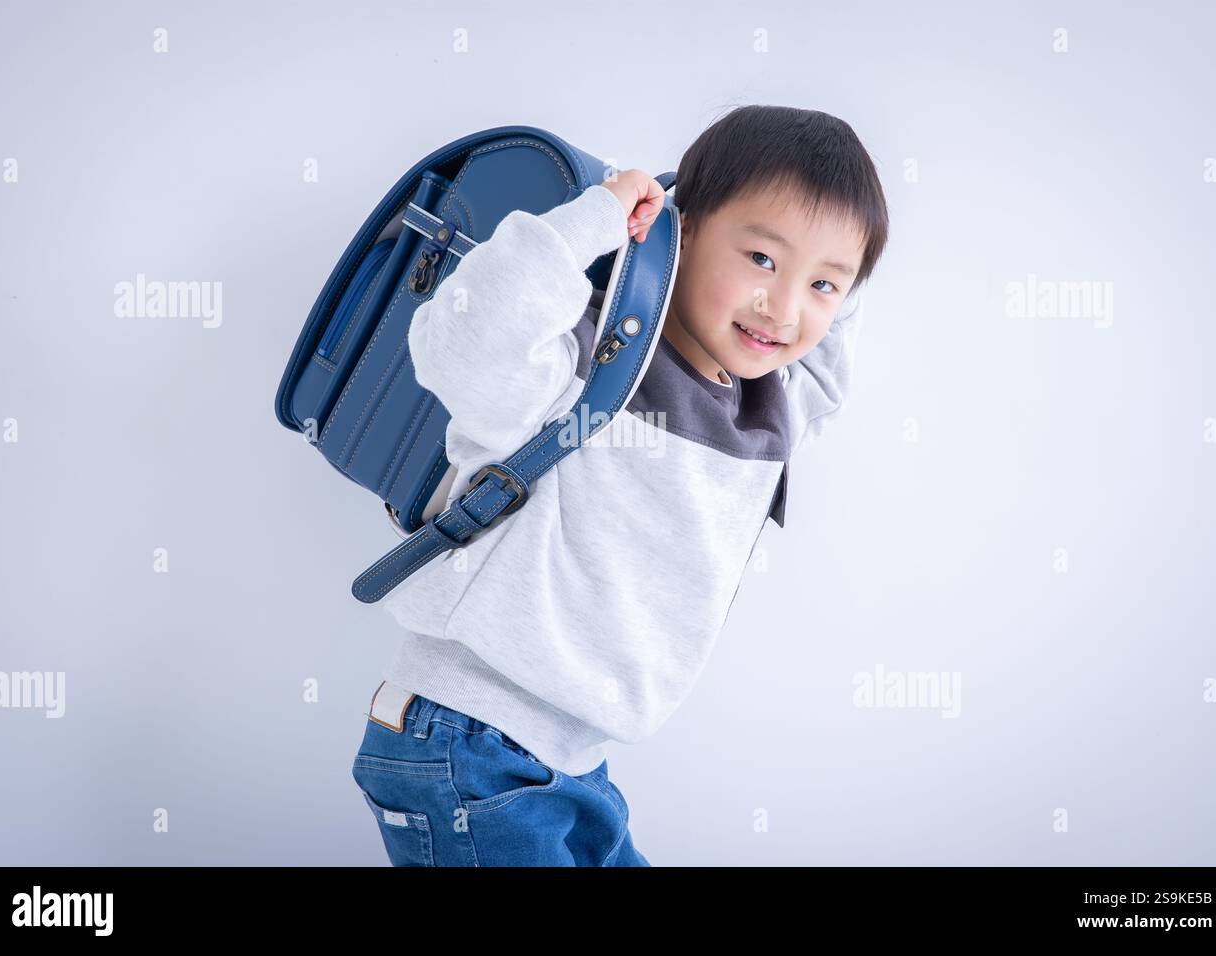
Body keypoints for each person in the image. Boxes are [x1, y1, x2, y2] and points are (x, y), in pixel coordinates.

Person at [351, 104, 890, 866]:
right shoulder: (580, 363)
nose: (787, 306)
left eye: (824, 285)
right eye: (763, 261)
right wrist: (602, 217)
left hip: (576, 764)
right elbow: (461, 338)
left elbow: (840, 305)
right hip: (468, 743)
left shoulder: (773, 409)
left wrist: (840, 235)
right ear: (687, 226)